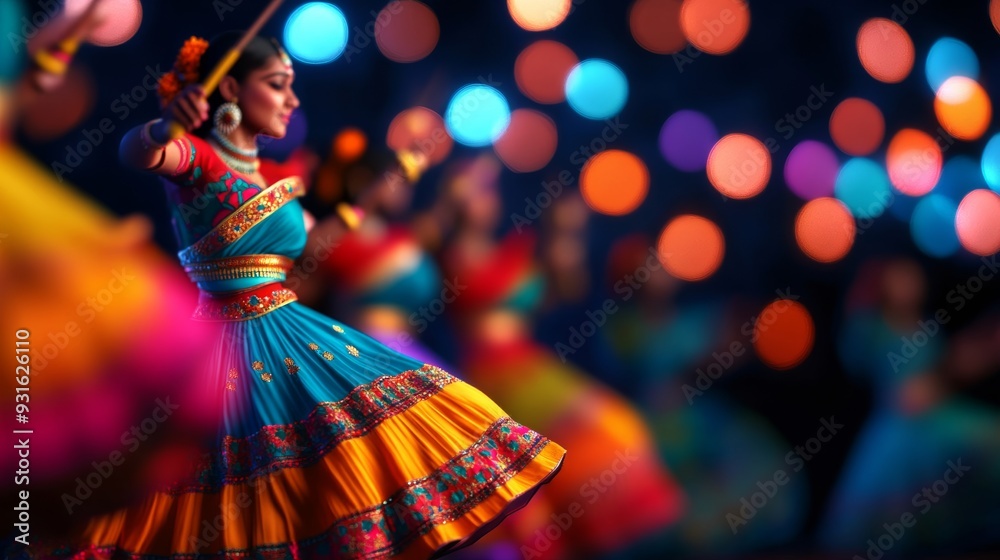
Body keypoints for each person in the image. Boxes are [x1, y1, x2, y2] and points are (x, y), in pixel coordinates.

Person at [50, 32, 564, 559]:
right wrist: (163, 126)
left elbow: (319, 243)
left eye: (292, 86)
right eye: (276, 85)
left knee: (365, 449)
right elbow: (139, 152)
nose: (292, 100)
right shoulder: (198, 159)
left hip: (288, 329)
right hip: (228, 345)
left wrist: (378, 191)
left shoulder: (273, 178)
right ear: (230, 86)